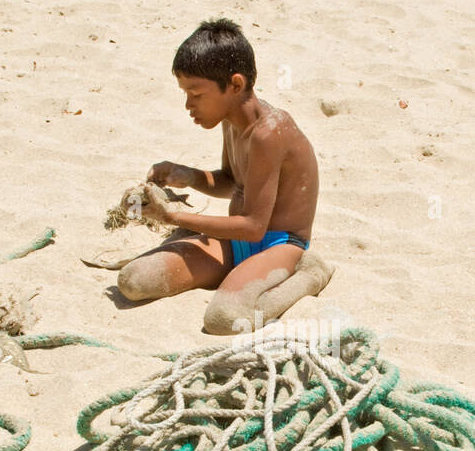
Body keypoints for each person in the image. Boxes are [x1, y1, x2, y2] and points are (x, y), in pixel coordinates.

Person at [116, 18, 334, 334]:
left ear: (235, 84)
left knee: (225, 319)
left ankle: (310, 275)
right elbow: (233, 183)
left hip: (280, 244)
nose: (188, 104)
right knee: (133, 282)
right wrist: (187, 175)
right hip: (238, 240)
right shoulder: (231, 120)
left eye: (196, 93)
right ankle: (237, 274)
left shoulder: (269, 134)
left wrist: (173, 217)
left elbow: (254, 226)